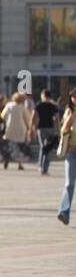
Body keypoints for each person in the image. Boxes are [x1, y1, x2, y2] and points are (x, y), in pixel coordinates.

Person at [57, 89, 76, 225]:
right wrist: (68, 122)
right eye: (73, 97)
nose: (75, 99)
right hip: (71, 151)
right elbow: (63, 130)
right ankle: (64, 212)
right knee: (69, 183)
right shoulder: (69, 112)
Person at [0, 92, 32, 170]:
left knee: (9, 146)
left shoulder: (9, 105)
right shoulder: (22, 107)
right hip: (21, 129)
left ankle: (6, 160)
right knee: (20, 147)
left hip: (10, 128)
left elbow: (2, 115)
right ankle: (19, 163)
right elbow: (27, 119)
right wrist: (29, 128)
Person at [36, 89, 61, 175]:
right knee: (47, 148)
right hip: (50, 128)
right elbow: (57, 119)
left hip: (40, 128)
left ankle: (40, 165)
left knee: (43, 147)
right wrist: (59, 130)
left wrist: (31, 128)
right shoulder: (53, 106)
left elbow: (33, 116)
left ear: (44, 96)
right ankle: (44, 167)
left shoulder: (39, 104)